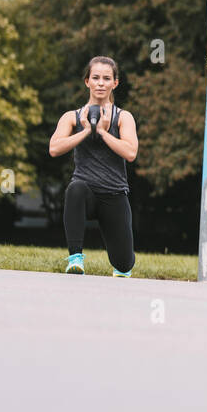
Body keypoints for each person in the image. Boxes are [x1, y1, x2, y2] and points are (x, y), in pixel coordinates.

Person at [48, 56, 138, 277]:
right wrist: (87, 130)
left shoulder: (123, 117)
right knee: (75, 189)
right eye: (95, 78)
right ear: (87, 81)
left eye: (106, 78)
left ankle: (122, 263)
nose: (100, 83)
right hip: (86, 192)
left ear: (114, 83)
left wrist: (103, 132)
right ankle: (75, 259)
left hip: (114, 194)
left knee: (124, 265)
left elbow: (130, 152)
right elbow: (54, 148)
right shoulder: (72, 117)